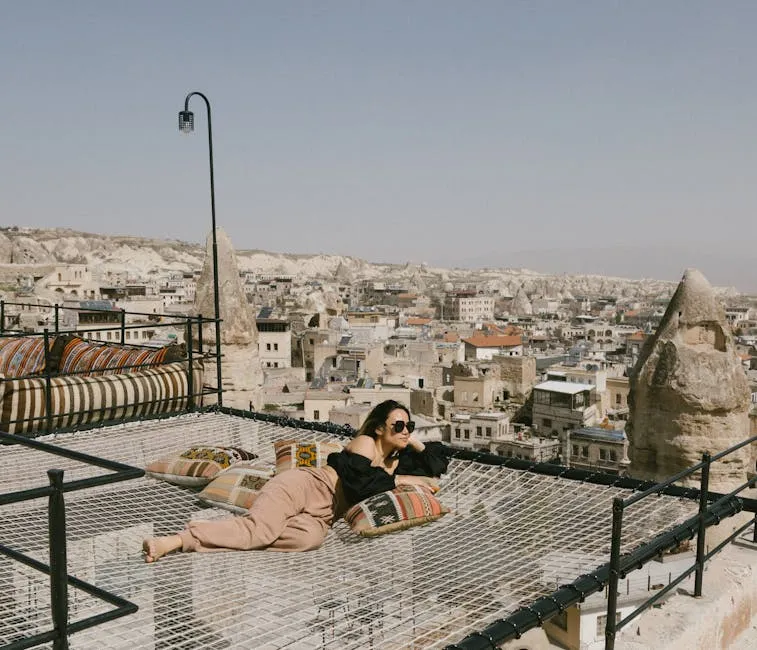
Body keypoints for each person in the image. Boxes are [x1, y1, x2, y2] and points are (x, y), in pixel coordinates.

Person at [142, 399, 448, 562]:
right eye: (398, 424)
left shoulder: (394, 459)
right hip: (304, 487)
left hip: (323, 516)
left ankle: (230, 537)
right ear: (380, 427)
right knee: (258, 531)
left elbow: (438, 463)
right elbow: (361, 485)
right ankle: (177, 541)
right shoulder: (365, 444)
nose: (405, 429)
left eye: (409, 424)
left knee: (307, 541)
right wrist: (404, 479)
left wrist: (414, 442)